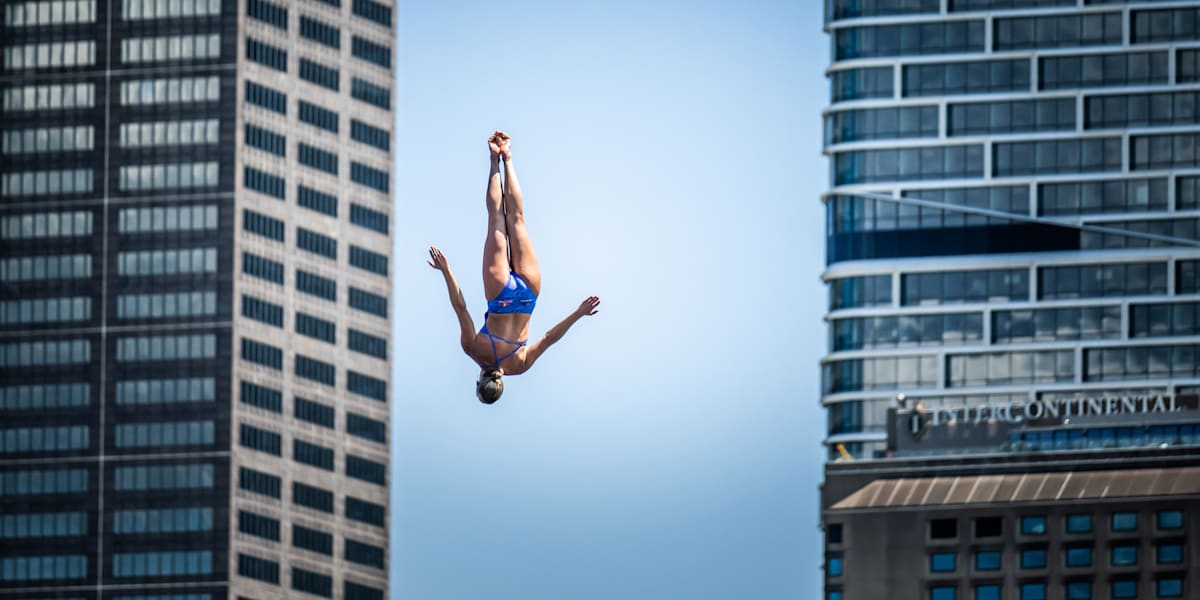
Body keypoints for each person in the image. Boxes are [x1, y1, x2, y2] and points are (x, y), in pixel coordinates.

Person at [428, 131, 600, 404]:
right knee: (497, 219)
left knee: (517, 219)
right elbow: (460, 306)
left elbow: (550, 337)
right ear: (479, 380)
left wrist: (579, 313)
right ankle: (496, 159)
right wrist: (446, 270)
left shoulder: (520, 366)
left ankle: (508, 157)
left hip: (529, 294)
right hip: (500, 294)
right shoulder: (473, 350)